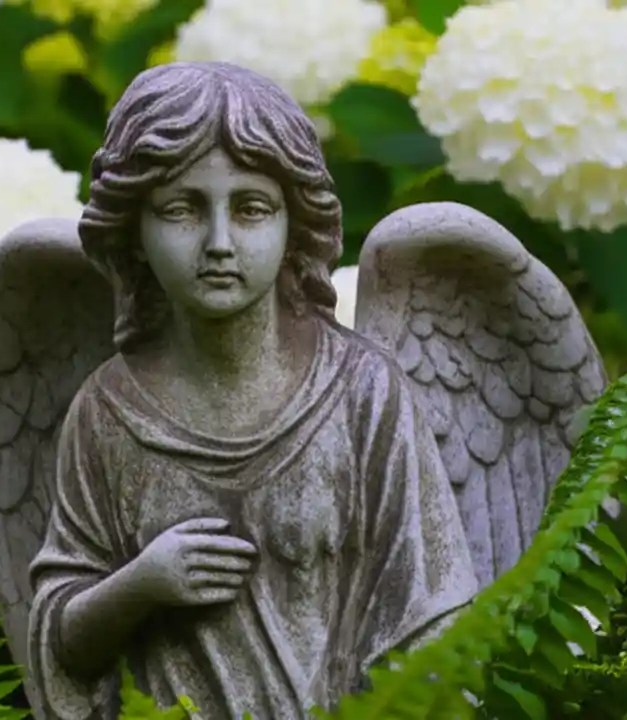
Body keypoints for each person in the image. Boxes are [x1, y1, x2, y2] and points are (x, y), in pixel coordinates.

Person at [26, 61, 477, 720]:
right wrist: (139, 586)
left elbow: (434, 623)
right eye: (181, 208)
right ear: (134, 232)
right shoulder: (106, 415)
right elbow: (60, 639)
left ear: (295, 222)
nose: (218, 243)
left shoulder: (365, 397)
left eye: (251, 208)